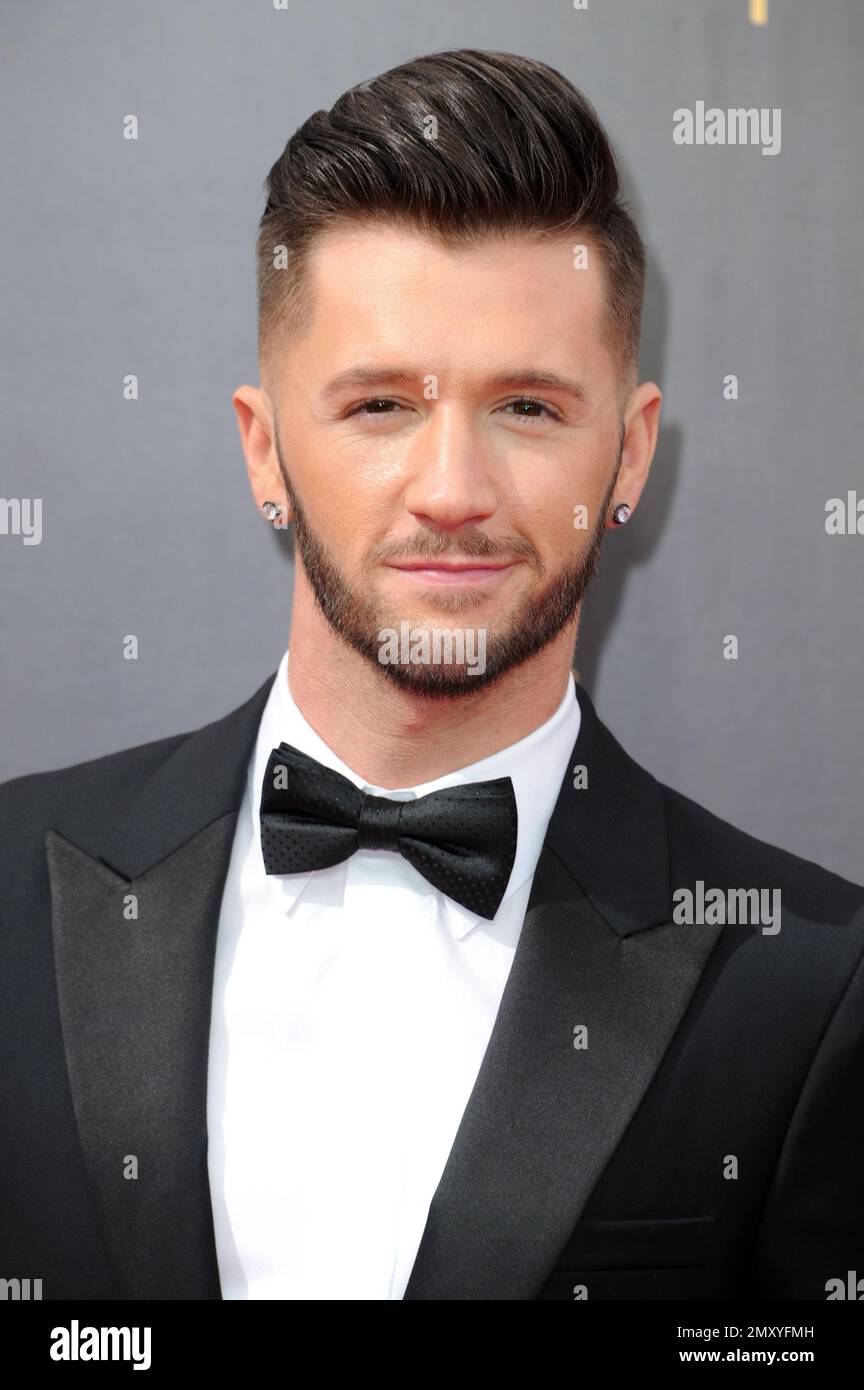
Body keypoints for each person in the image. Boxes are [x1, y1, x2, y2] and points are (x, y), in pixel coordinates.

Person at [1, 49, 862, 1303]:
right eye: (380, 407)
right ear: (266, 448)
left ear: (627, 458)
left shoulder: (808, 981)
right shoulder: (13, 886)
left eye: (526, 407)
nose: (452, 492)